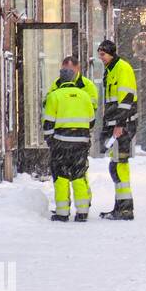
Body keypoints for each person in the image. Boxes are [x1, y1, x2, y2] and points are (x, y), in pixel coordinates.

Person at [43, 65, 97, 222]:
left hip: (61, 142)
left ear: (60, 80)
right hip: (81, 143)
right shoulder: (84, 96)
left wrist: (50, 141)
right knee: (79, 175)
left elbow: (48, 123)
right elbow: (91, 121)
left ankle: (62, 212)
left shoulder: (55, 96)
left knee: (61, 177)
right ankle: (82, 212)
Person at [97, 40, 138, 220]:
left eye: (103, 55)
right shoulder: (111, 70)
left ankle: (125, 209)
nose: (101, 58)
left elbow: (126, 98)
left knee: (120, 165)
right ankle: (120, 207)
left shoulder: (122, 68)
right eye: (100, 55)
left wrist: (120, 123)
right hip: (116, 123)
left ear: (111, 53)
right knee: (116, 164)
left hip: (123, 125)